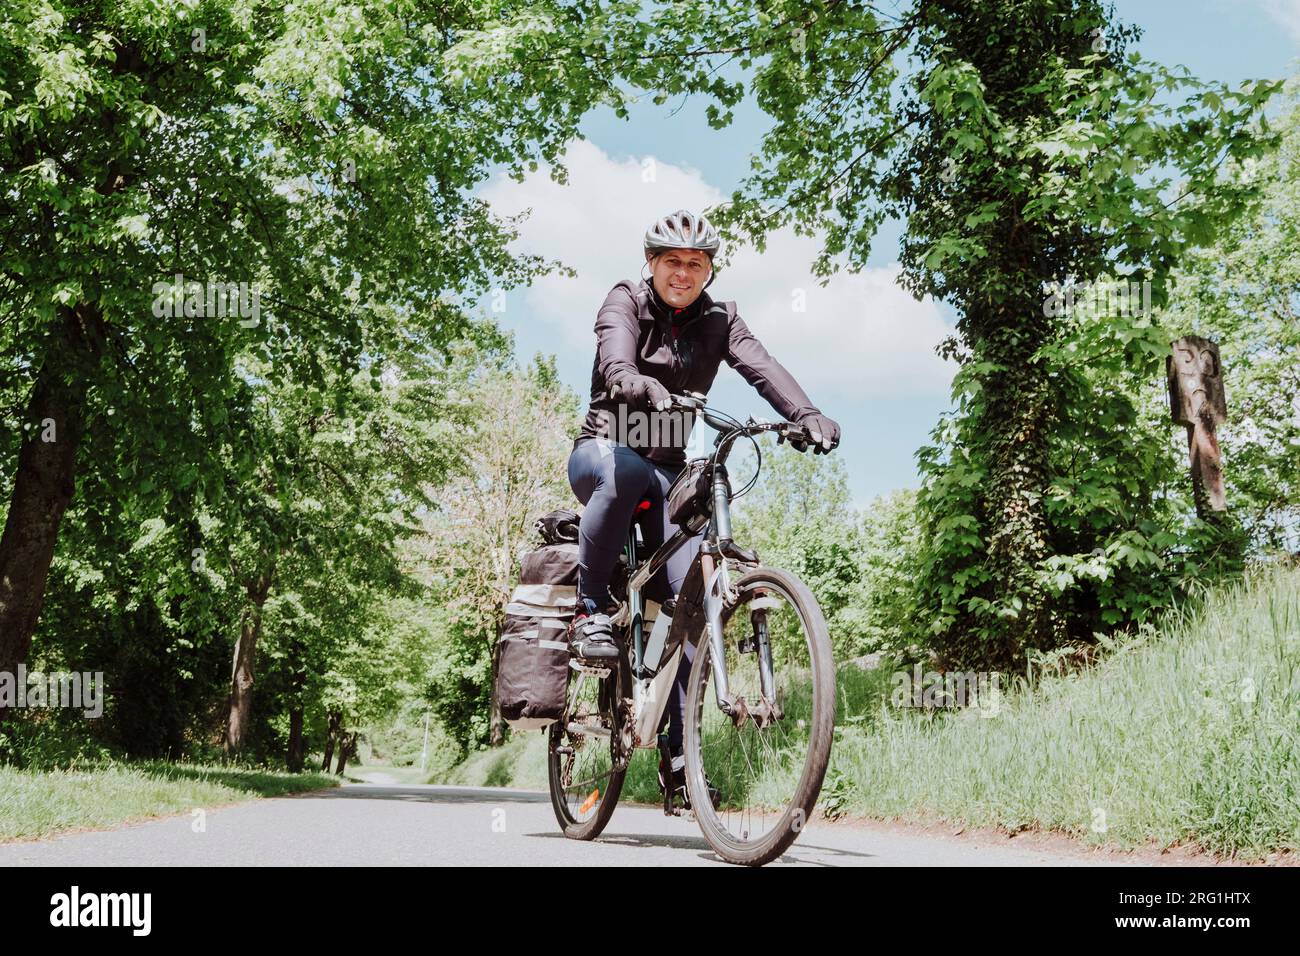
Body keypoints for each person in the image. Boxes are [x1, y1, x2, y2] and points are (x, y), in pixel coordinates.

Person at [565, 209, 840, 804]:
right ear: (652, 265)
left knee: (697, 592)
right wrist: (633, 382)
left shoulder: (722, 319)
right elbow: (615, 358)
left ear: (709, 269)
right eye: (672, 262)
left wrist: (805, 414)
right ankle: (591, 611)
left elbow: (762, 368)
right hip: (604, 453)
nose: (683, 273)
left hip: (665, 475)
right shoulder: (625, 302)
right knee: (626, 468)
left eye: (695, 264)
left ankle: (679, 755)